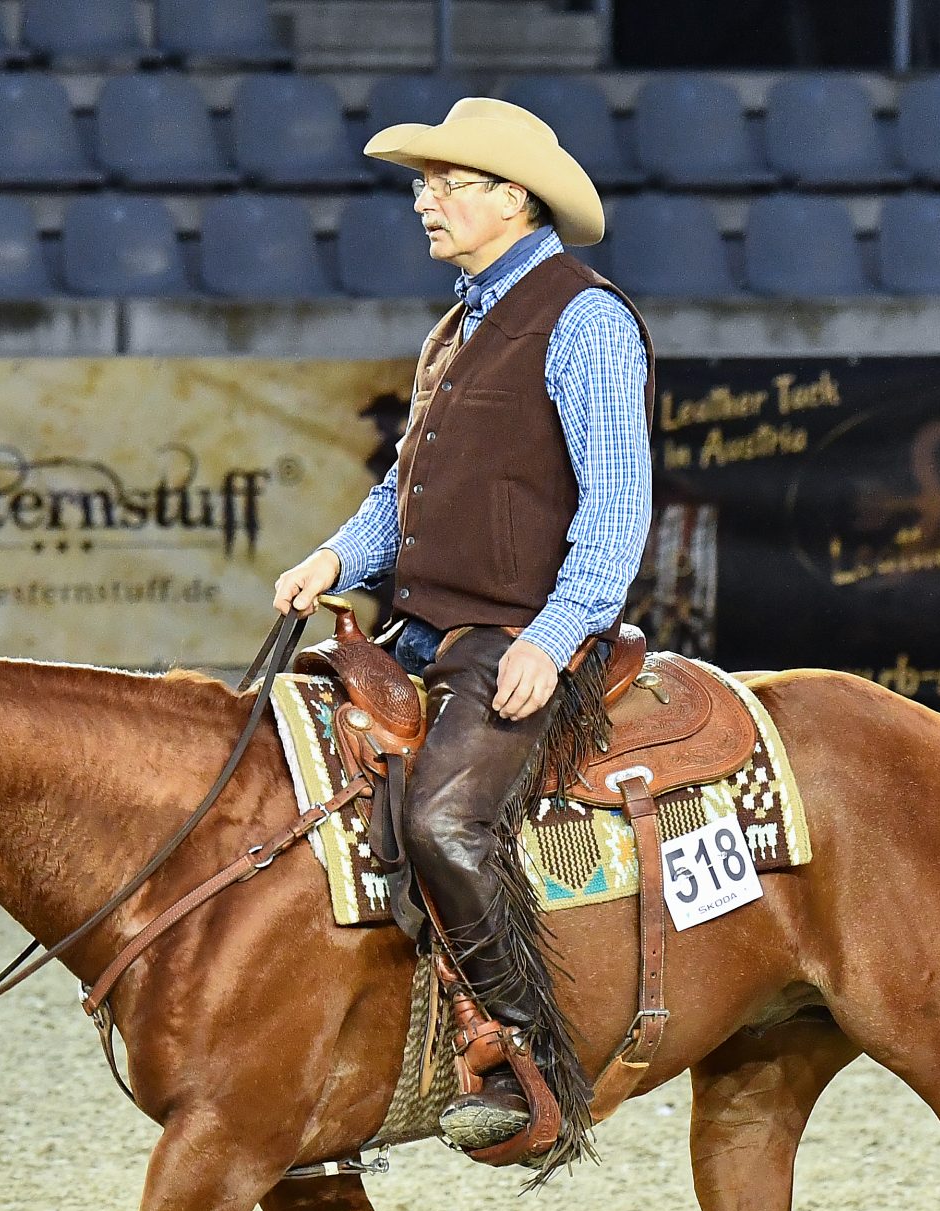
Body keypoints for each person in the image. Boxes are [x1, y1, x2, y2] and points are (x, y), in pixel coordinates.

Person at [271, 98, 655, 1157]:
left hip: (516, 631)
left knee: (444, 823)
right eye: (423, 183)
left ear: (514, 197)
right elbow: (405, 493)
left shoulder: (583, 318)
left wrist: (556, 636)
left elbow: (617, 505)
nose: (424, 200)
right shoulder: (461, 323)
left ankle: (531, 1056)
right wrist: (335, 558)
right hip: (424, 625)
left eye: (447, 183)